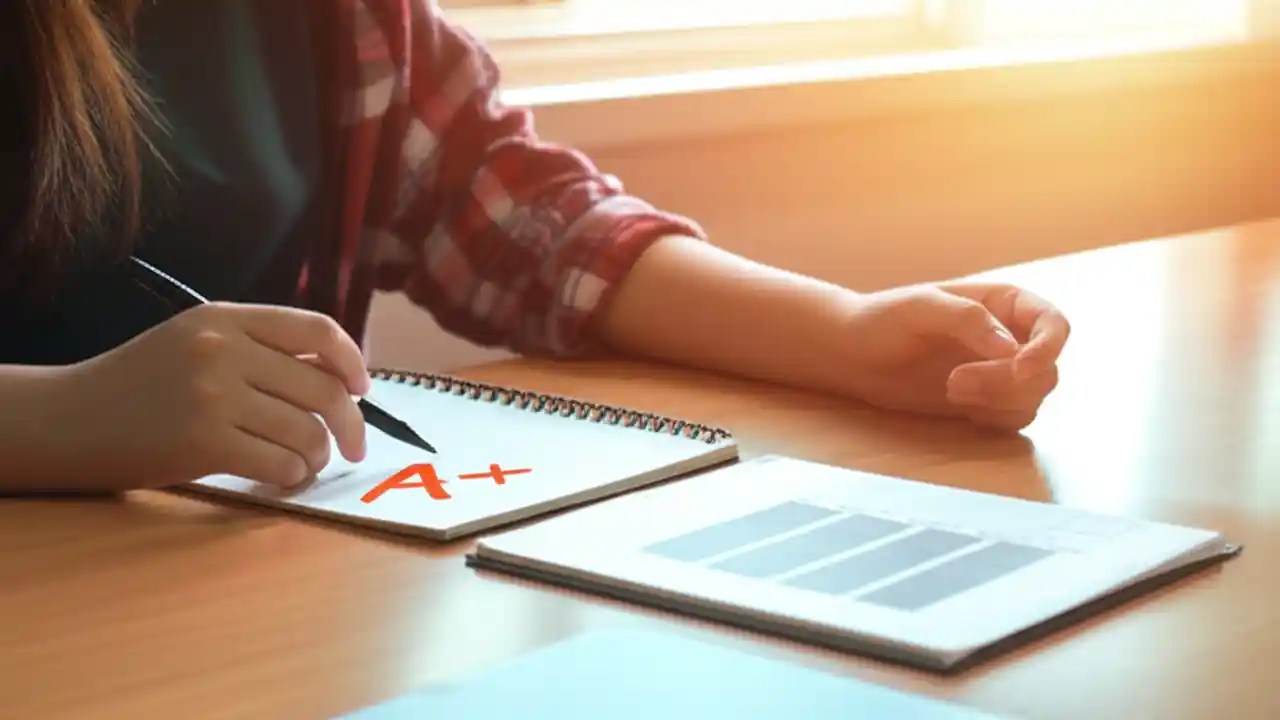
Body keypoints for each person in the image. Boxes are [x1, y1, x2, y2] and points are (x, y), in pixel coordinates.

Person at [0, 1, 1068, 493]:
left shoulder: (346, 22)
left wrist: (842, 332)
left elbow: (536, 231)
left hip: (242, 594)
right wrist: (62, 419)